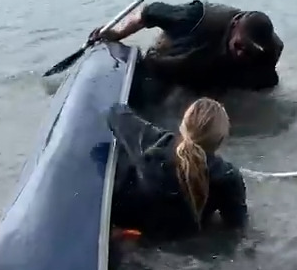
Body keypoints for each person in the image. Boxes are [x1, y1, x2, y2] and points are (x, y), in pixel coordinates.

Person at [104, 97, 248, 242]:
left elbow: (115, 114)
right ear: (220, 141)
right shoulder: (228, 177)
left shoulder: (155, 142)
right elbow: (236, 226)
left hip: (136, 223)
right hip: (181, 238)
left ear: (183, 125)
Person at [90, 0, 283, 101]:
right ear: (234, 26)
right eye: (239, 46)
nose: (241, 53)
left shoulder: (266, 55)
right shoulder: (197, 17)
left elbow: (266, 87)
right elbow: (147, 13)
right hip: (174, 63)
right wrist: (116, 33)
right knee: (149, 97)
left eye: (249, 52)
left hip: (210, 78)